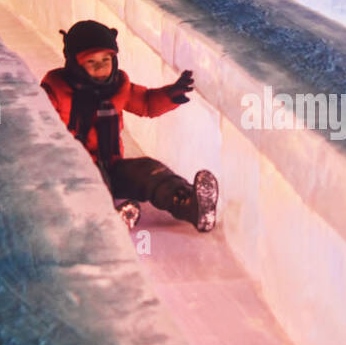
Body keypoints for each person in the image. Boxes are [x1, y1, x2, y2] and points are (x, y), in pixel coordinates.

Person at [40, 20, 218, 232]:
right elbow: (38, 122)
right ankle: (105, 220)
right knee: (92, 185)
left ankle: (190, 204)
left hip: (112, 165)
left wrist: (171, 94)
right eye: (91, 61)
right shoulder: (56, 89)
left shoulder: (117, 86)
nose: (101, 67)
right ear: (75, 64)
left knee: (149, 171)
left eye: (106, 59)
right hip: (74, 170)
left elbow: (146, 102)